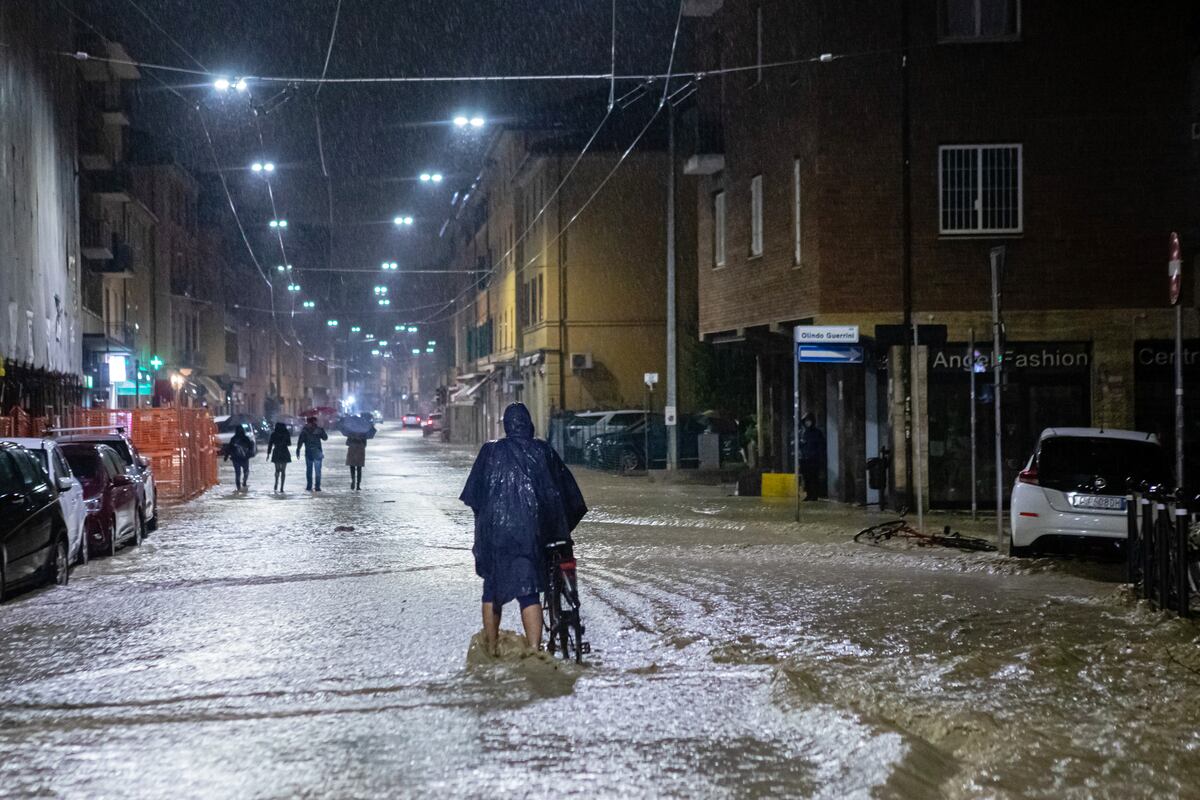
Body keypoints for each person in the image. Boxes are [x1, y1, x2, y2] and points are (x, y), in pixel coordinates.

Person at [460, 403, 587, 653]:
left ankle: (492, 647)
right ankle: (533, 650)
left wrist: (489, 525)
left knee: (492, 590)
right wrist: (558, 528)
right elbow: (569, 497)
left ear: (506, 426)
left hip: (496, 536)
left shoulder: (489, 452)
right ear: (529, 425)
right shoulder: (543, 451)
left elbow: (473, 498)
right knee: (529, 592)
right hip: (532, 535)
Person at [345, 412, 377, 491]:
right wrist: (358, 440)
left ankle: (354, 482)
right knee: (358, 468)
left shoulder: (351, 432)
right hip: (359, 450)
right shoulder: (363, 432)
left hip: (354, 450)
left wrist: (354, 439)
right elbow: (365, 444)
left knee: (353, 468)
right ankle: (357, 484)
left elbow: (347, 443)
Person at [295, 416, 329, 492]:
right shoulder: (317, 430)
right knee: (317, 471)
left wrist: (298, 450)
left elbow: (300, 441)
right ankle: (317, 486)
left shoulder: (305, 431)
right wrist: (322, 430)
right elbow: (325, 438)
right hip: (316, 453)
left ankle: (309, 486)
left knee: (310, 470)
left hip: (309, 453)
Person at [799, 412, 826, 502]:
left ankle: (814, 495)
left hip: (814, 460)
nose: (807, 423)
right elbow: (801, 445)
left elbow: (821, 446)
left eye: (809, 421)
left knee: (813, 478)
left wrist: (819, 458)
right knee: (806, 478)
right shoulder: (804, 433)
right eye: (806, 421)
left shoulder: (817, 433)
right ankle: (808, 494)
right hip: (805, 459)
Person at [224, 425, 254, 492]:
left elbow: (229, 448)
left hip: (235, 459)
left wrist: (226, 456)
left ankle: (238, 488)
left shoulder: (233, 439)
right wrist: (249, 454)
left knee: (237, 473)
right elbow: (250, 448)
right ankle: (244, 482)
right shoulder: (246, 438)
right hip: (244, 458)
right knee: (246, 471)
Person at [266, 422, 292, 493]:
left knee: (277, 469)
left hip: (276, 452)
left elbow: (270, 444)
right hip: (284, 452)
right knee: (283, 471)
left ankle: (276, 482)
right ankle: (281, 488)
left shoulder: (273, 434)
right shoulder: (286, 433)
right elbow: (289, 443)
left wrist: (268, 454)